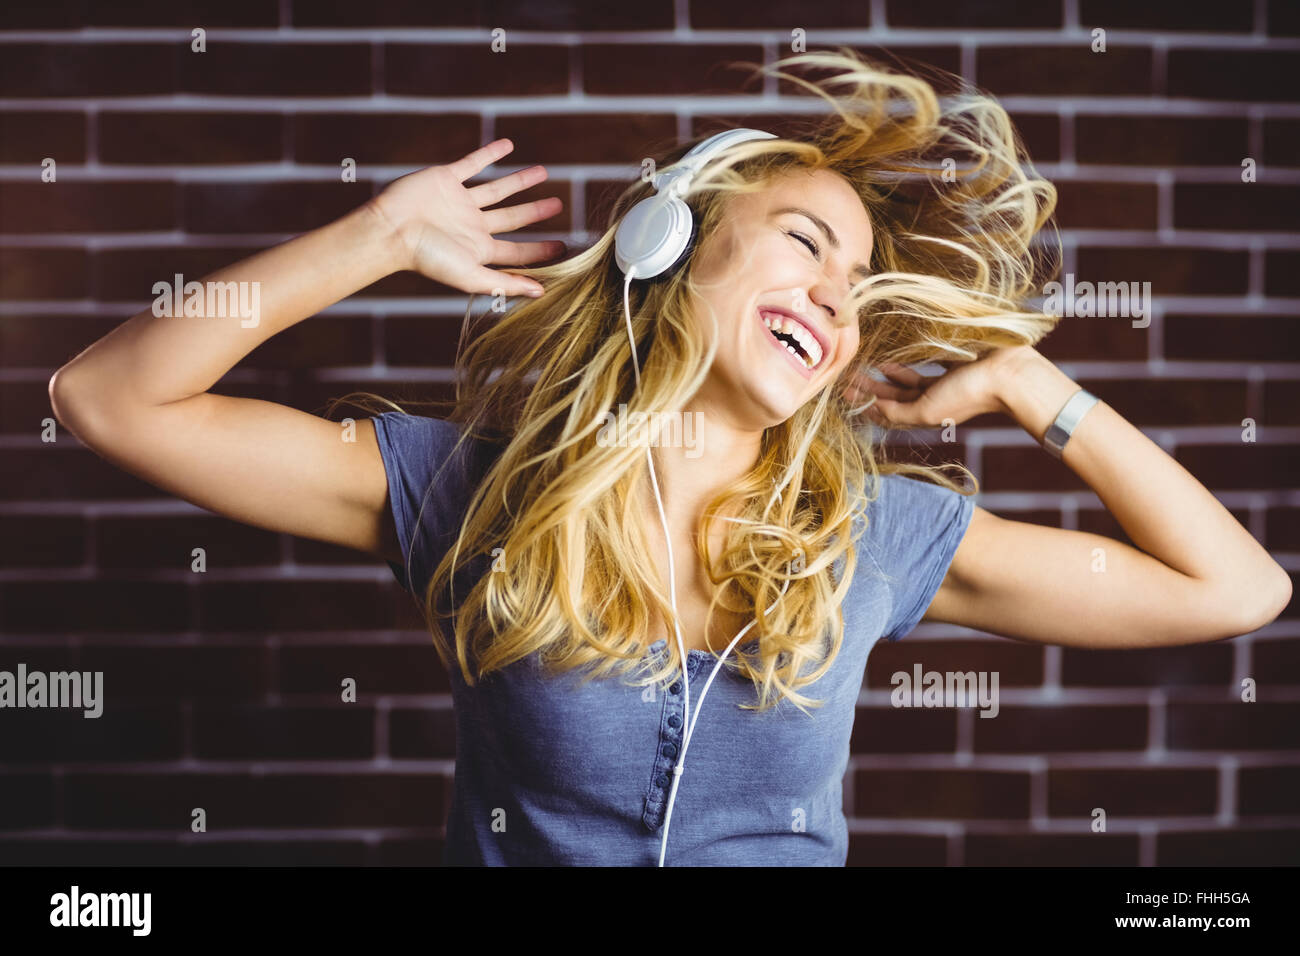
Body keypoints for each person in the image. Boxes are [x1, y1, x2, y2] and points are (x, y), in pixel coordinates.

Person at [48, 49, 1291, 866]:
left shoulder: (874, 534)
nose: (834, 295)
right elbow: (110, 398)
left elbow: (1235, 589)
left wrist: (1032, 385)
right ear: (668, 243)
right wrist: (376, 235)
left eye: (857, 287)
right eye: (803, 241)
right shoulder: (467, 485)